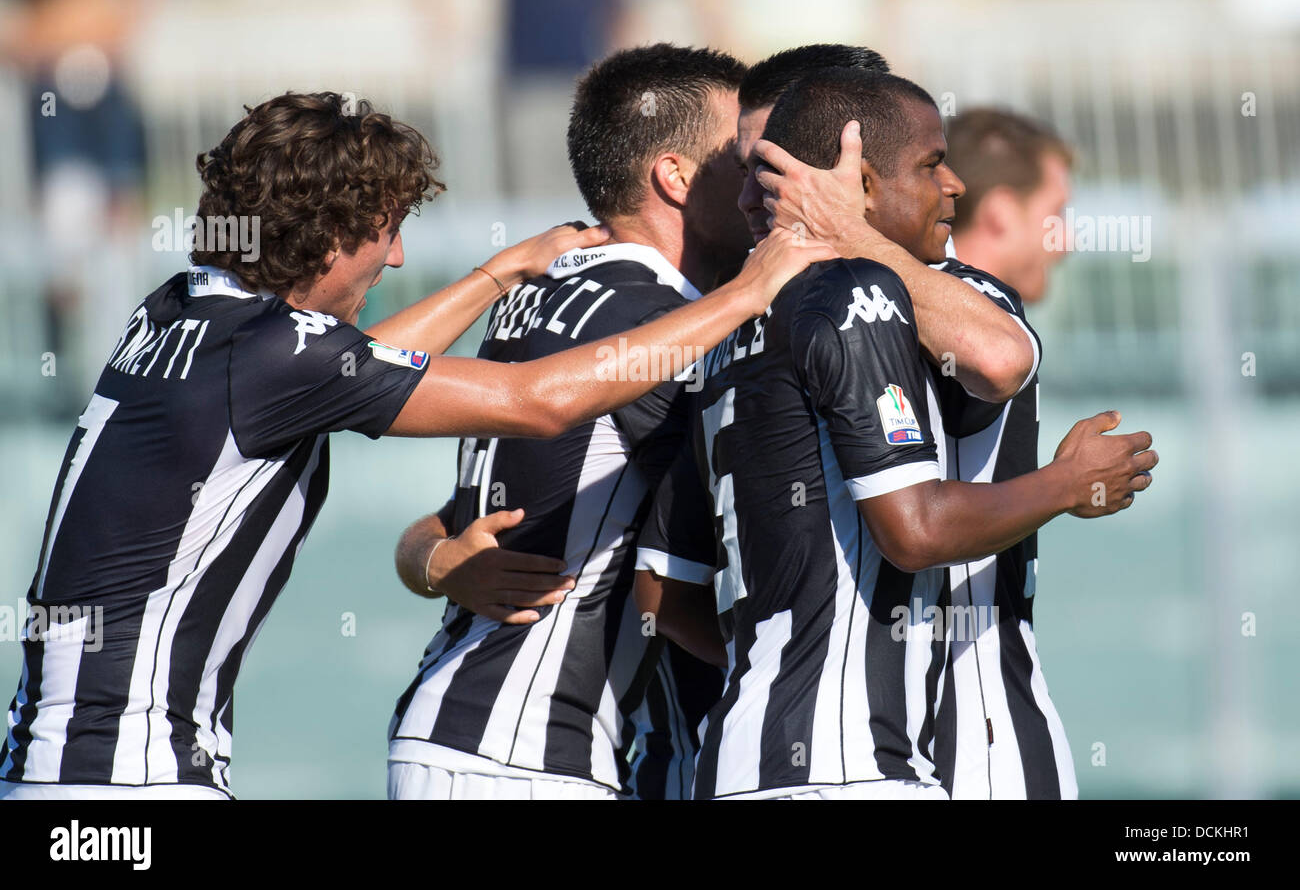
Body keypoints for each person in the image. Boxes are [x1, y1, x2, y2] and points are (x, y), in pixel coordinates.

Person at [0, 91, 834, 800]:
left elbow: (351, 365)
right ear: (331, 235)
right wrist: (751, 293)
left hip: (57, 760)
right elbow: (539, 402)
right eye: (386, 231)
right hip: (125, 773)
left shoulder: (181, 311)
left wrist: (496, 275)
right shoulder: (265, 355)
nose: (395, 254)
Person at [635, 69, 1156, 800]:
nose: (762, 196)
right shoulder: (877, 299)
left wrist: (787, 659)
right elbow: (990, 381)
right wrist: (1066, 483)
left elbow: (662, 592)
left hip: (755, 751)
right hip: (933, 747)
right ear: (857, 178)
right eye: (755, 170)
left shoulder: (724, 327)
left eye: (775, 171)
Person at [386, 44, 748, 801]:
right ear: (675, 176)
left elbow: (460, 516)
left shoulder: (542, 295)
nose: (760, 176)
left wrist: (434, 561)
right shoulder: (655, 321)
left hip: (465, 730)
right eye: (739, 153)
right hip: (521, 750)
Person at [944, 108, 1074, 304]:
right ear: (1000, 215)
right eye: (1055, 212)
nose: (1068, 241)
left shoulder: (900, 315)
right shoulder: (974, 330)